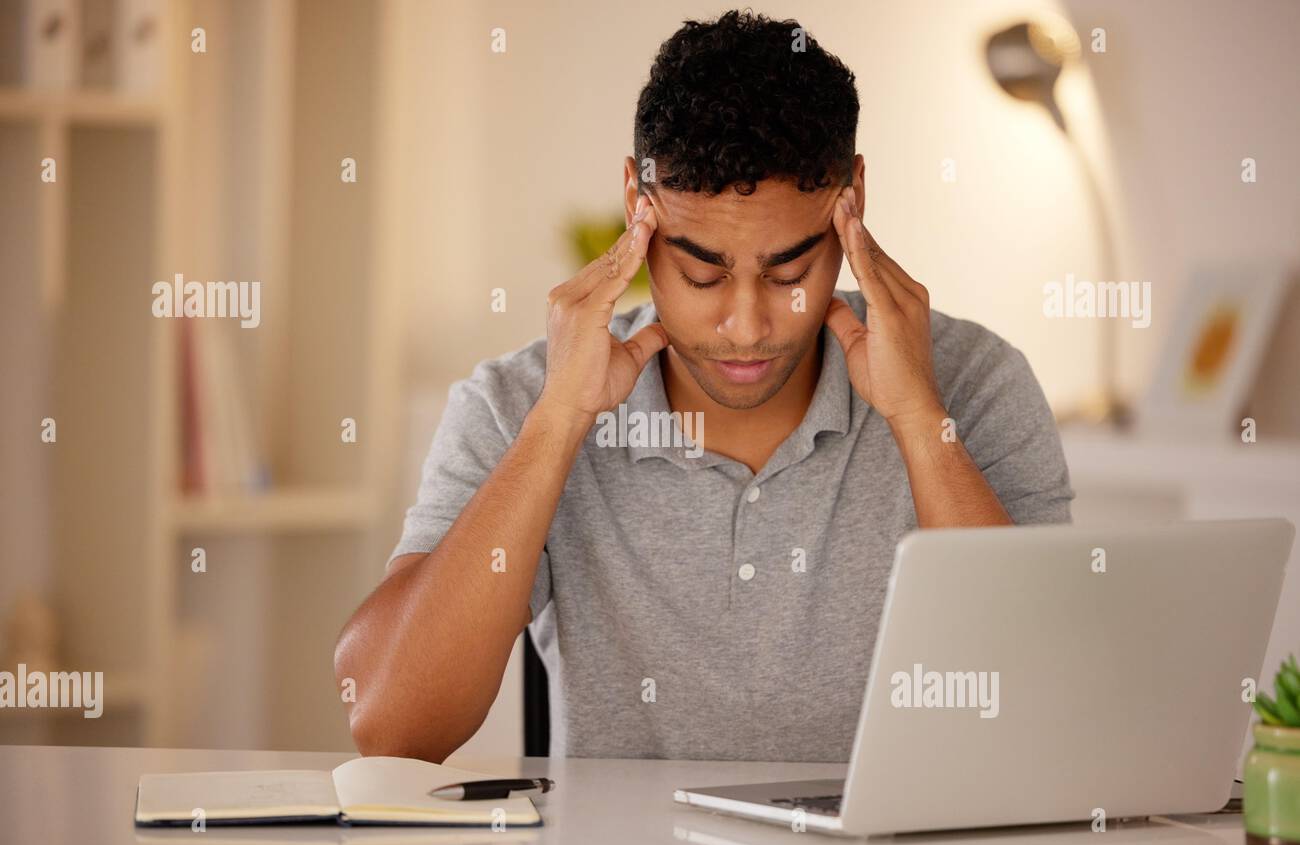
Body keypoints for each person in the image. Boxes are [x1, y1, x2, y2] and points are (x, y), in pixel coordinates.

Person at [334, 10, 1073, 763]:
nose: (747, 325)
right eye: (701, 272)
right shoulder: (519, 400)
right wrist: (558, 422)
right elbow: (391, 723)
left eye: (789, 271)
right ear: (636, 204)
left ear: (852, 201)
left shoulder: (975, 386)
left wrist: (920, 418)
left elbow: (1043, 714)